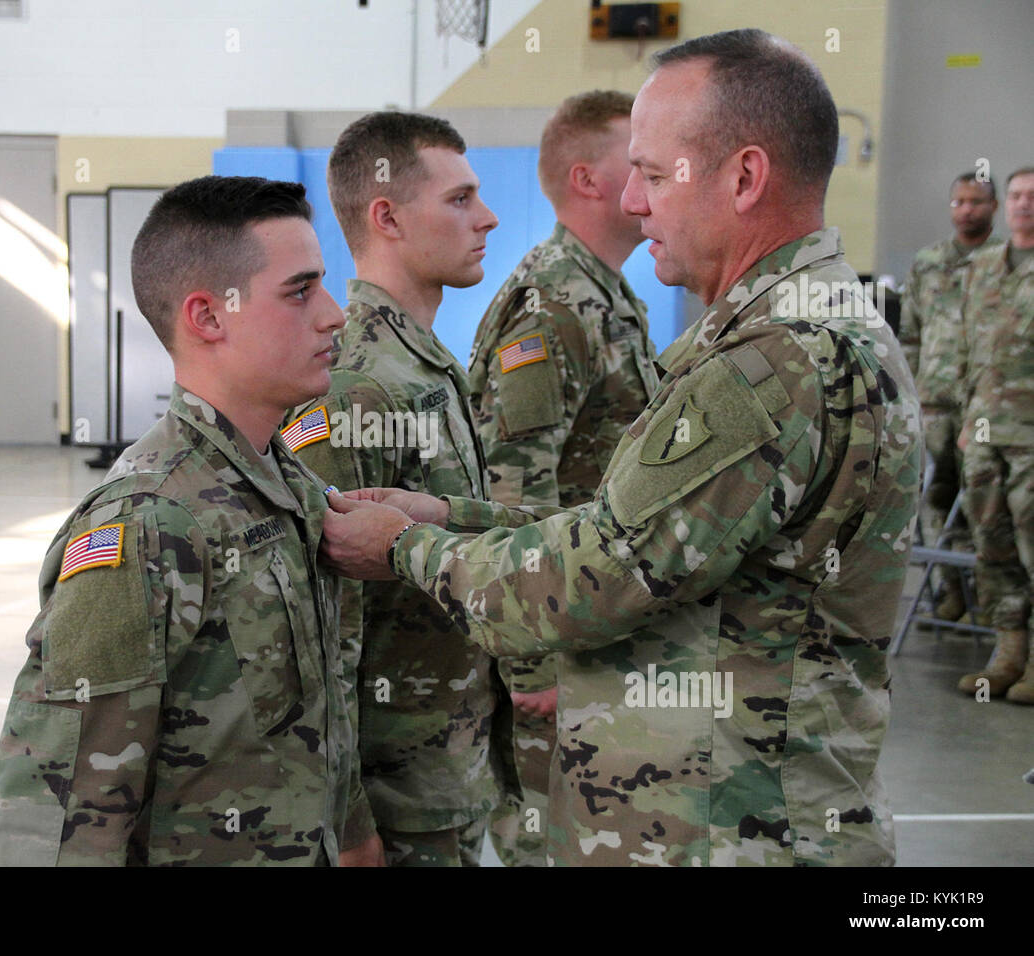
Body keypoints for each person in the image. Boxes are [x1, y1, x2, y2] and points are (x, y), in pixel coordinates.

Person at [320, 29, 920, 867]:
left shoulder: (772, 362)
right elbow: (639, 529)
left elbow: (595, 575)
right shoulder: (801, 331)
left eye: (653, 172)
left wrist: (409, 547)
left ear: (745, 178)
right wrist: (451, 513)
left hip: (724, 830)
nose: (634, 202)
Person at [0, 176, 382, 866]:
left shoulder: (287, 484)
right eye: (300, 291)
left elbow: (318, 709)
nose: (333, 314)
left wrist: (352, 837)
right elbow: (62, 811)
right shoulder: (148, 523)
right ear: (208, 316)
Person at [281, 112, 515, 866]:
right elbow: (322, 634)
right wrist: (351, 827)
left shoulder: (424, 366)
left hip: (448, 769)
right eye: (460, 199)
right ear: (386, 215)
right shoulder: (357, 381)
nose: (487, 217)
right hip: (395, 795)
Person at [466, 89, 659, 867]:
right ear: (585, 179)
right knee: (547, 839)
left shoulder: (606, 294)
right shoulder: (553, 301)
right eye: (635, 159)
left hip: (592, 626)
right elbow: (512, 490)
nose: (652, 176)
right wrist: (532, 660)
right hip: (558, 641)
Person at [898, 172, 1001, 621]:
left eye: (976, 201)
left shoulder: (1006, 262)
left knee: (983, 499)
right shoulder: (929, 262)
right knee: (934, 497)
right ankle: (948, 591)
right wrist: (908, 394)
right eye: (958, 201)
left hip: (986, 403)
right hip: (934, 398)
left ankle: (988, 597)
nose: (966, 210)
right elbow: (910, 334)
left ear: (993, 207)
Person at [955, 166, 1034, 704]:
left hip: (1031, 431)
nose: (1024, 204)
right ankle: (1007, 657)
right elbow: (967, 347)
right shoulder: (983, 266)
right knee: (992, 544)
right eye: (1016, 195)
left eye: (1033, 196)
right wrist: (966, 419)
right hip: (984, 430)